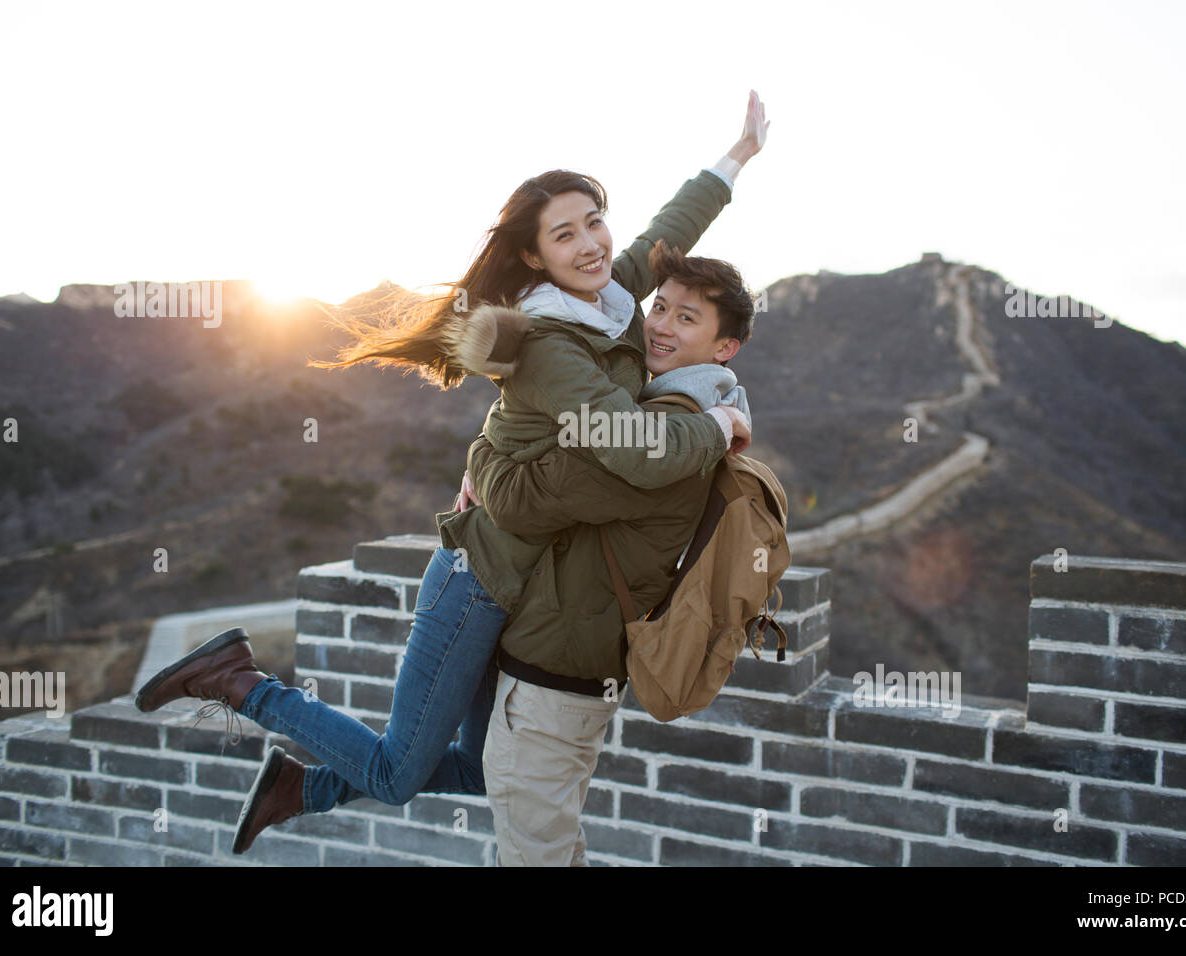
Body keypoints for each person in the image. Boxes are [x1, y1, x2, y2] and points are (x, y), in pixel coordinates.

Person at [132, 92, 769, 854]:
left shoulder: (609, 304)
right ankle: (241, 681)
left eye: (595, 220)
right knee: (402, 772)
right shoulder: (549, 342)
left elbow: (669, 232)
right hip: (479, 578)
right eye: (565, 234)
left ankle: (302, 784)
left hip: (520, 585)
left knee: (479, 766)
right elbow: (631, 449)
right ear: (534, 256)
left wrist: (736, 157)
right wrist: (715, 425)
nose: (592, 243)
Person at [459, 244, 757, 866]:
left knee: (534, 852)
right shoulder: (695, 413)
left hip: (555, 672)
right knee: (553, 844)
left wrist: (481, 454)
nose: (660, 325)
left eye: (687, 318)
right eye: (660, 307)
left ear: (725, 347)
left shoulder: (667, 432)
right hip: (576, 664)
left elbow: (519, 500)